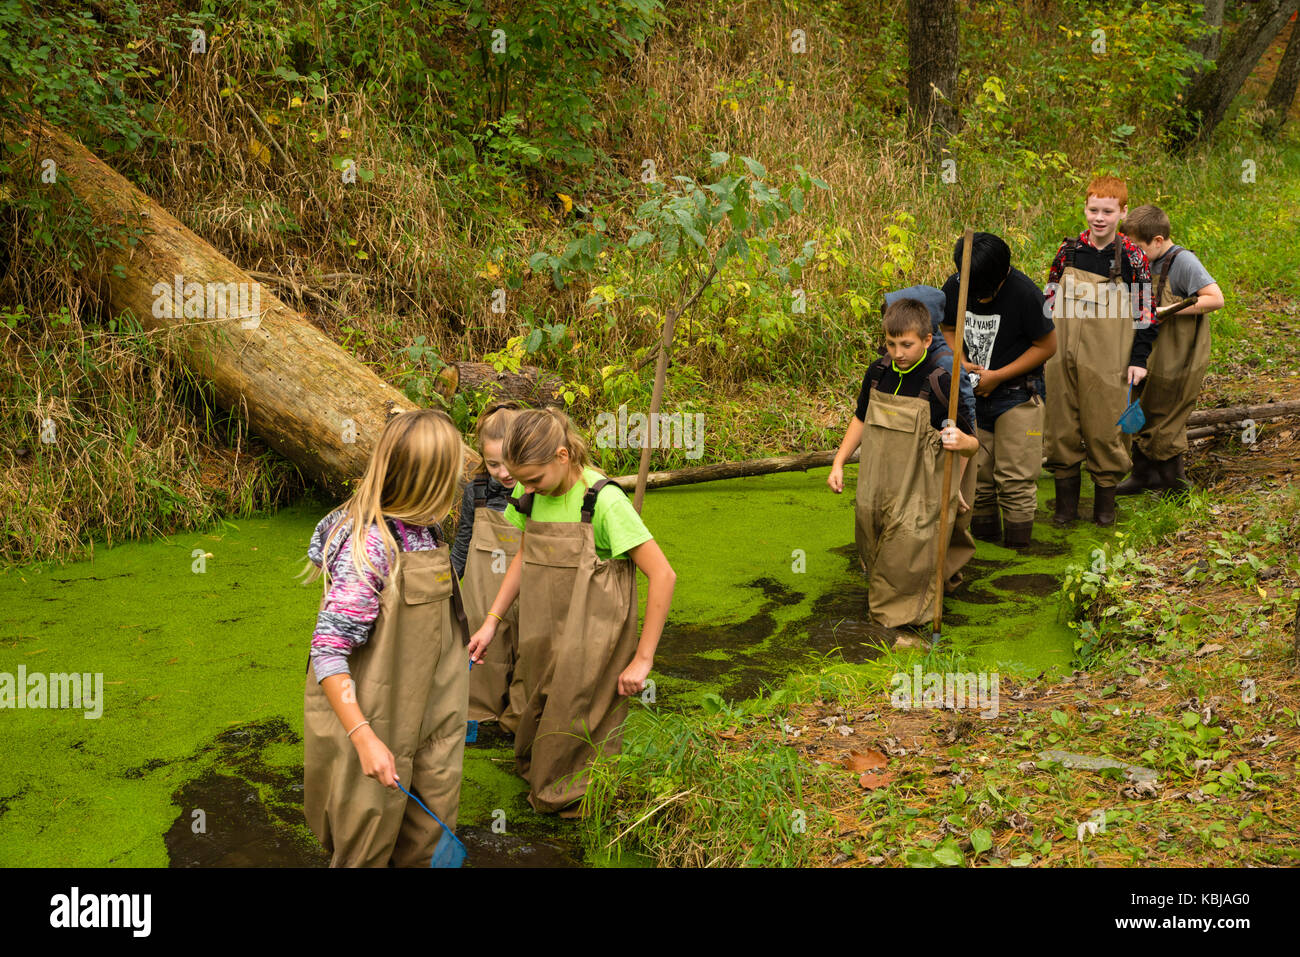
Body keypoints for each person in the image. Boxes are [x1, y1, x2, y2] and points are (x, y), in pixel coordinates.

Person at [466, 407, 676, 816]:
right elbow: (524, 557)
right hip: (543, 636)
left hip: (593, 638)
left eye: (534, 479)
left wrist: (643, 659)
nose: (525, 489)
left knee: (573, 733)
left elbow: (663, 575)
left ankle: (579, 803)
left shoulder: (603, 502)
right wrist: (491, 621)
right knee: (530, 734)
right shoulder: (532, 496)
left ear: (562, 456)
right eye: (520, 480)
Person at [301, 409, 473, 867]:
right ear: (430, 479)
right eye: (453, 471)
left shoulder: (427, 530)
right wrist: (364, 739)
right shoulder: (373, 546)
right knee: (366, 849)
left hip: (433, 724)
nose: (460, 480)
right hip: (375, 724)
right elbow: (328, 651)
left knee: (428, 842)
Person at [828, 298, 980, 629]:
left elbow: (972, 441)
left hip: (917, 495)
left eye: (907, 344)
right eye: (891, 343)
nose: (898, 352)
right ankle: (886, 627)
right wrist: (839, 462)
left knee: (903, 564)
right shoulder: (877, 373)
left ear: (927, 340)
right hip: (874, 490)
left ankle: (900, 632)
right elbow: (860, 419)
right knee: (874, 556)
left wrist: (959, 443)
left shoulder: (941, 381)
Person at [1043, 175, 1154, 527]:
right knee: (1060, 427)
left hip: (1110, 360)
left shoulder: (1133, 257)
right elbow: (1049, 302)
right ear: (1085, 210)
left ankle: (1105, 509)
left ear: (1122, 213)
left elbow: (1145, 313)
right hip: (1062, 357)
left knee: (1107, 430)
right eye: (1093, 210)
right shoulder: (1069, 251)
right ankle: (1065, 509)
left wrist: (1139, 360)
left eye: (1108, 211)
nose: (1099, 218)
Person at [941, 232, 1056, 548]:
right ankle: (985, 549)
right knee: (980, 478)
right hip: (973, 397)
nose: (980, 298)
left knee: (1015, 479)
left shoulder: (1027, 295)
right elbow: (948, 327)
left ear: (1001, 275)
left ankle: (1019, 557)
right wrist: (960, 362)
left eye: (986, 293)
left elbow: (1047, 345)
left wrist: (998, 376)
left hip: (1019, 396)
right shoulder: (956, 286)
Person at [1115, 204, 1224, 495]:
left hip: (1180, 352)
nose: (1132, 252)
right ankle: (1142, 476)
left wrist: (1165, 310)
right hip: (1149, 350)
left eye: (1137, 247)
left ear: (1158, 241)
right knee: (1143, 410)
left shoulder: (1183, 262)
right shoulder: (1143, 261)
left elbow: (1215, 299)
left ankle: (1175, 486)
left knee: (1167, 417)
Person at [451, 401, 525, 734]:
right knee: (483, 657)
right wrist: (446, 586)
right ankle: (479, 718)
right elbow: (462, 546)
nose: (503, 473)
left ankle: (520, 719)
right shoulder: (476, 491)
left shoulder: (537, 491)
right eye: (494, 464)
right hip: (482, 595)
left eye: (510, 463)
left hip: (525, 594)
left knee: (528, 652)